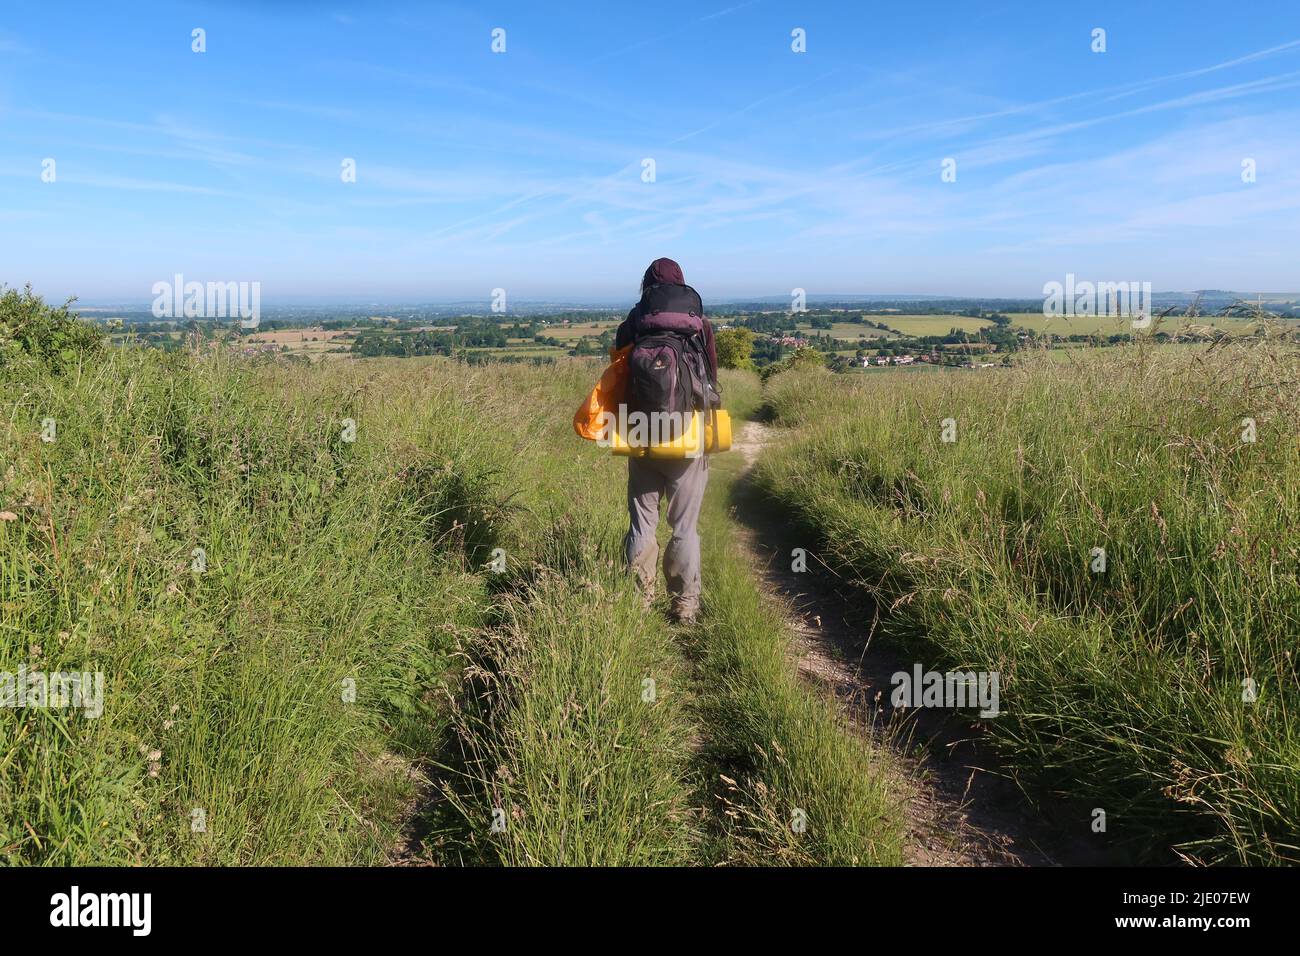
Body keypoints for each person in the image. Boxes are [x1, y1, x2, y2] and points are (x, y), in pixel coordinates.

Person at [614, 258, 719, 625]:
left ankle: (639, 605)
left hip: (641, 434)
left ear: (647, 286)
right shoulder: (697, 323)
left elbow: (617, 367)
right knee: (684, 526)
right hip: (686, 436)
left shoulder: (634, 321)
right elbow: (711, 377)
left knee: (642, 524)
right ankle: (685, 607)